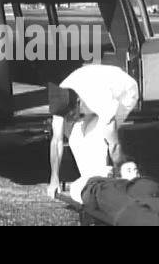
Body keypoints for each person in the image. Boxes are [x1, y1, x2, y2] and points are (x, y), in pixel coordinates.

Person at [46, 64, 139, 202]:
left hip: (124, 93)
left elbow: (114, 144)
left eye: (71, 115)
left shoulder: (99, 98)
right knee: (76, 138)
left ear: (78, 103)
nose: (69, 120)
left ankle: (129, 175)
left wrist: (121, 169)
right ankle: (93, 182)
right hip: (90, 89)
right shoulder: (61, 96)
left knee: (98, 135)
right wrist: (54, 178)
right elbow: (56, 141)